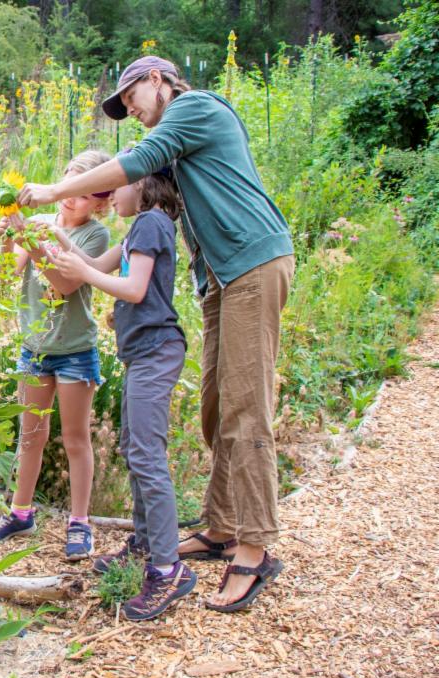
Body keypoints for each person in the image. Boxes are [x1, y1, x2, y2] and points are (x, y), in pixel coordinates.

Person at [17, 56, 294, 612]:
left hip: (252, 263)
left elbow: (135, 165)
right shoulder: (173, 135)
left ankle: (256, 544)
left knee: (246, 408)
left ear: (156, 81)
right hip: (220, 279)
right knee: (217, 409)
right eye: (123, 111)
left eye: (132, 101)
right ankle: (220, 526)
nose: (133, 115)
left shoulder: (194, 107)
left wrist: (53, 190)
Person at [51, 164, 196, 620]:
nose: (112, 195)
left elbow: (133, 290)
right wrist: (47, 238)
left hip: (156, 349)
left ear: (146, 183)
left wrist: (84, 273)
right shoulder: (140, 227)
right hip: (143, 352)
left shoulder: (153, 222)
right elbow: (92, 266)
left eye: (121, 185)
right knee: (136, 450)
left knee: (147, 456)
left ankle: (168, 569)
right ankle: (145, 543)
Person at [0, 150, 112, 562]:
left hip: (74, 350)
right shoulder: (45, 224)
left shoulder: (93, 236)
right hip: (35, 348)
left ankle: (79, 522)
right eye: (69, 185)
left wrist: (30, 239)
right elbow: (8, 273)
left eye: (85, 193)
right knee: (30, 436)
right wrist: (7, 236)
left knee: (75, 439)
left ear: (100, 203)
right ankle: (21, 512)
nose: (71, 199)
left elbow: (65, 282)